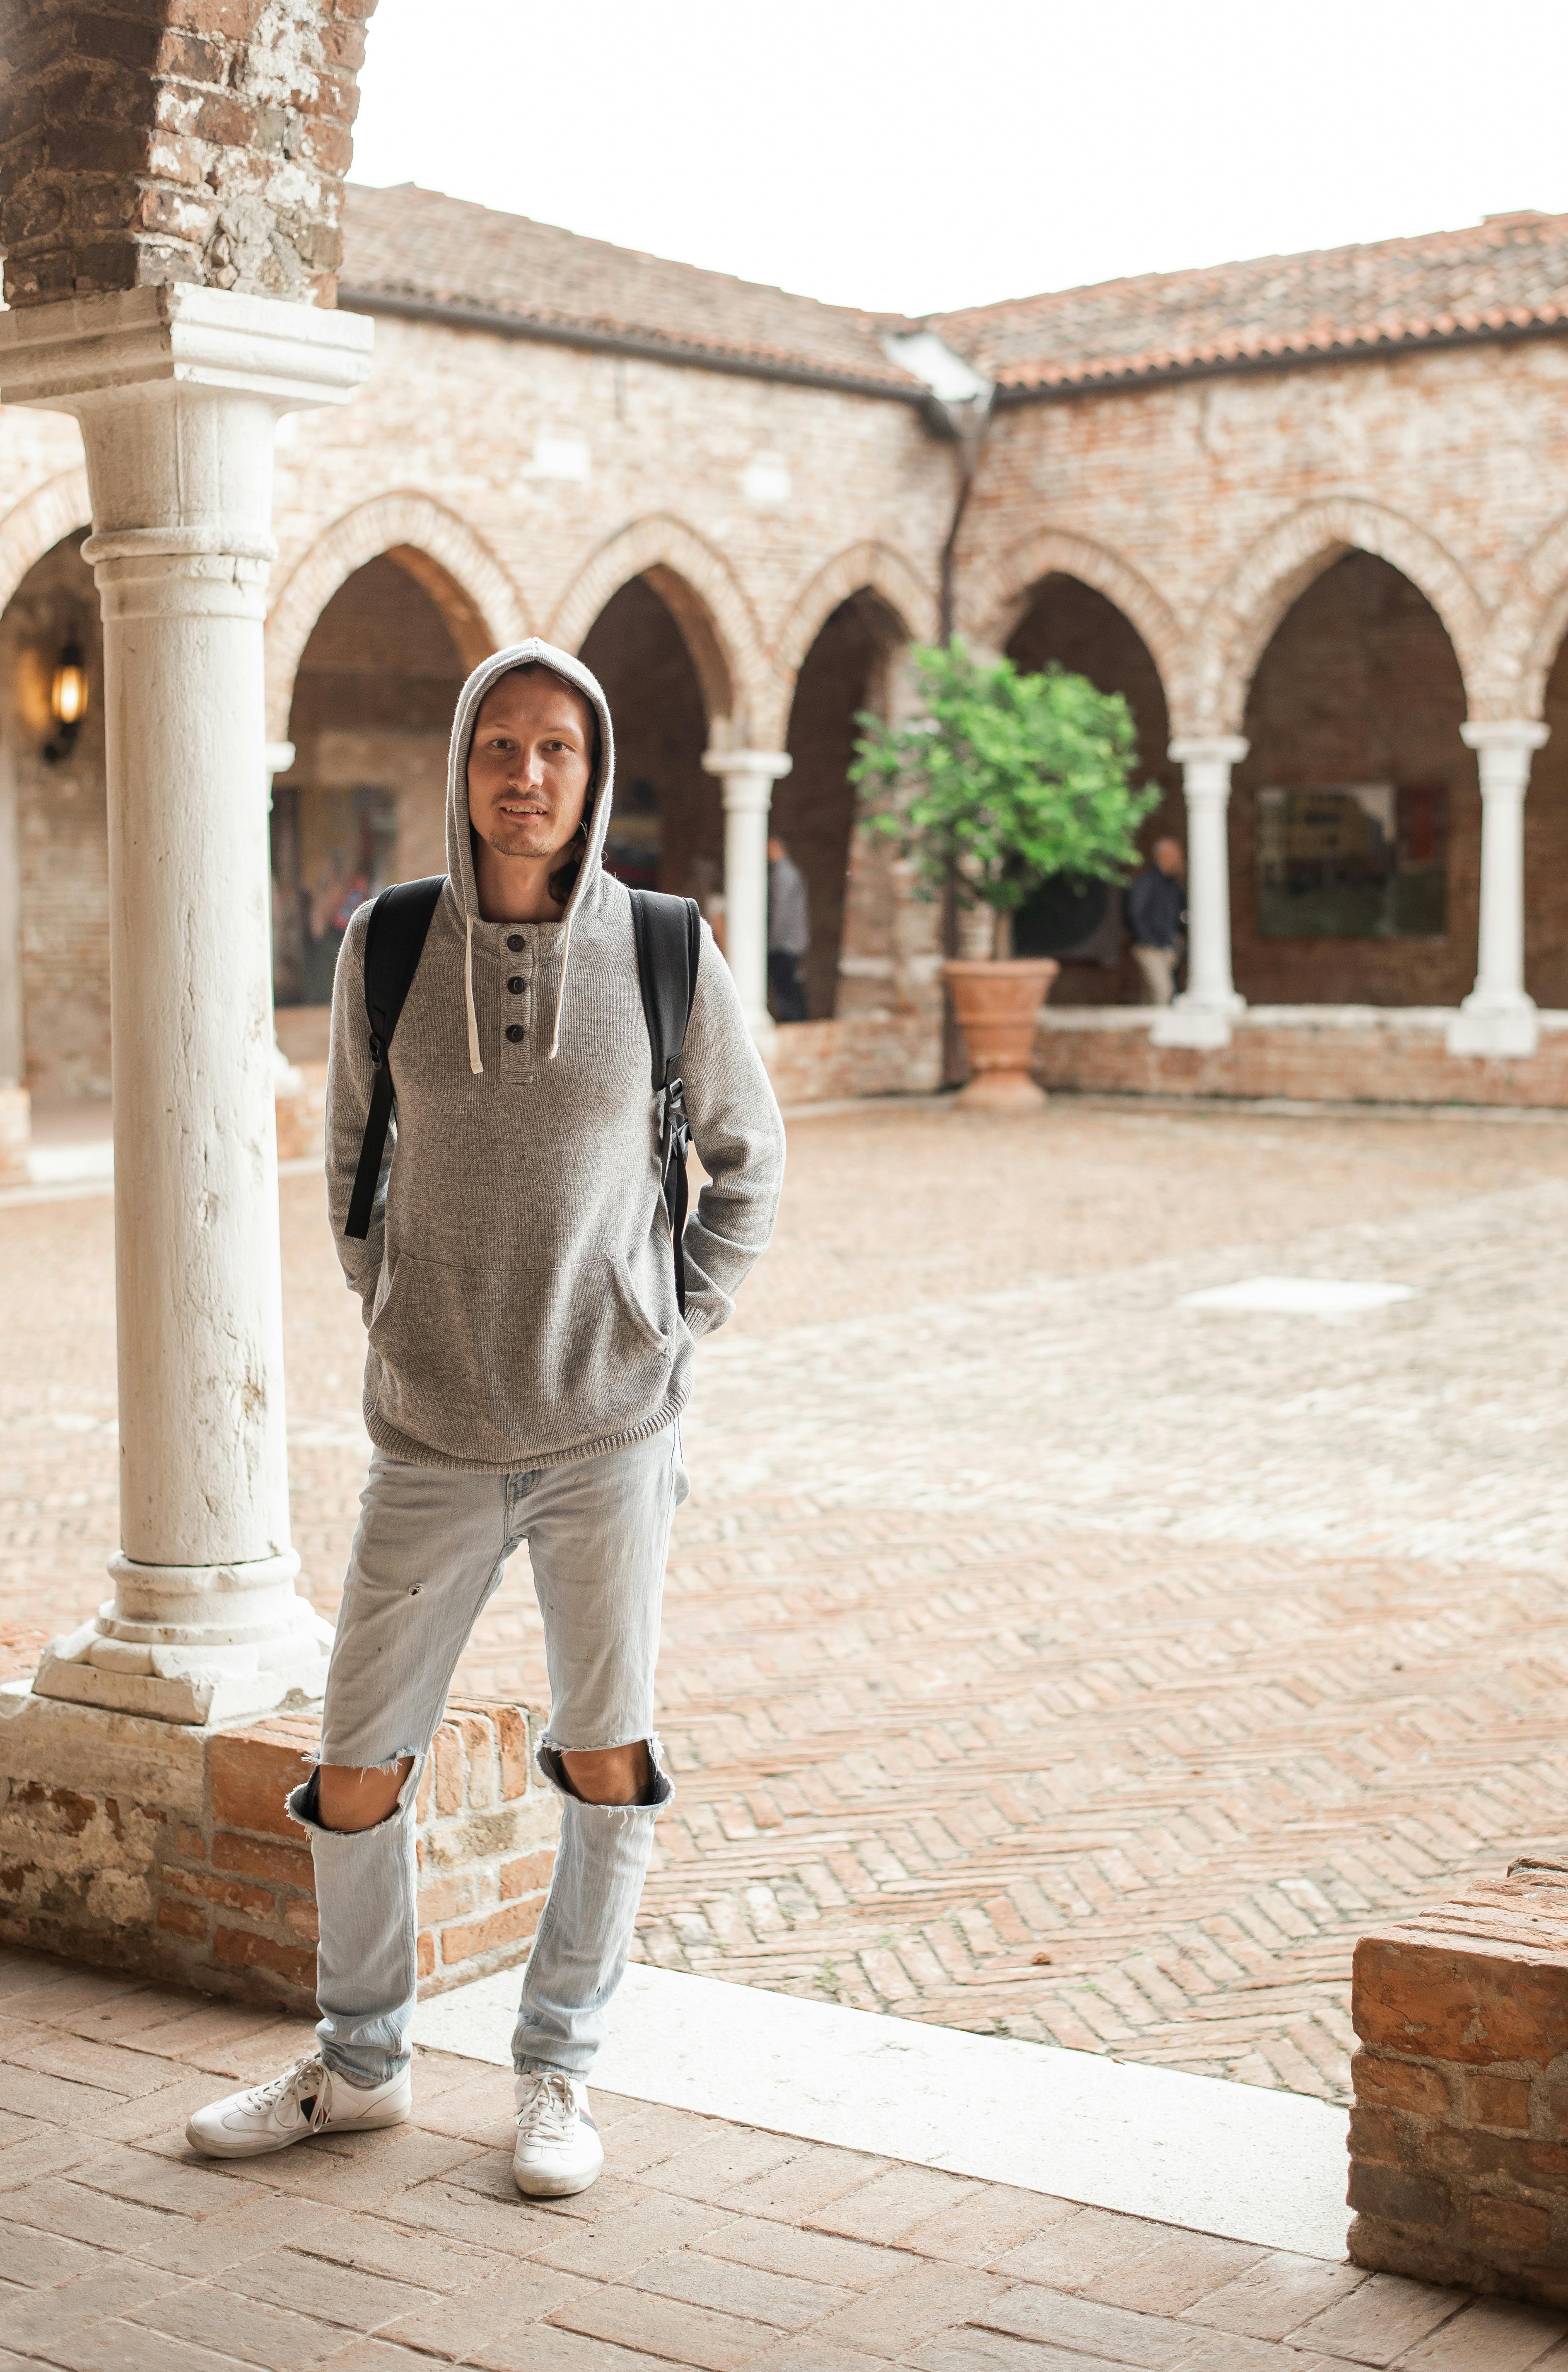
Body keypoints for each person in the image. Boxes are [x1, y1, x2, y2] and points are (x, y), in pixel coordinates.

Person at [186, 642, 785, 2199]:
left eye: (557, 752)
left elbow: (750, 1156)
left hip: (609, 1435)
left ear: (590, 779)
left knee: (604, 1755)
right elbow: (344, 1171)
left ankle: (558, 2072)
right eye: (500, 747)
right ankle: (361, 2060)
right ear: (463, 769)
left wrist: (675, 1320)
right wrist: (400, 1310)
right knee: (357, 1766)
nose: (527, 775)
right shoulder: (383, 946)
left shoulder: (665, 948)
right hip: (430, 1437)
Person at [1124, 835, 1187, 1005]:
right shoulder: (1146, 882)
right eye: (1177, 854)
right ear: (1165, 856)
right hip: (1150, 948)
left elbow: (1180, 915)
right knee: (1163, 991)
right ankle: (1162, 1032)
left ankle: (1145, 1030)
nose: (1181, 858)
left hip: (1168, 947)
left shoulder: (1173, 885)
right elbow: (1135, 914)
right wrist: (1149, 941)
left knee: (1150, 995)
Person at [766, 834, 809, 1023]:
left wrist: (770, 939)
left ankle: (795, 1021)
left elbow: (779, 908)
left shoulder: (783, 873)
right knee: (788, 983)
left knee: (787, 984)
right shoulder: (786, 872)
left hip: (785, 940)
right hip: (788, 939)